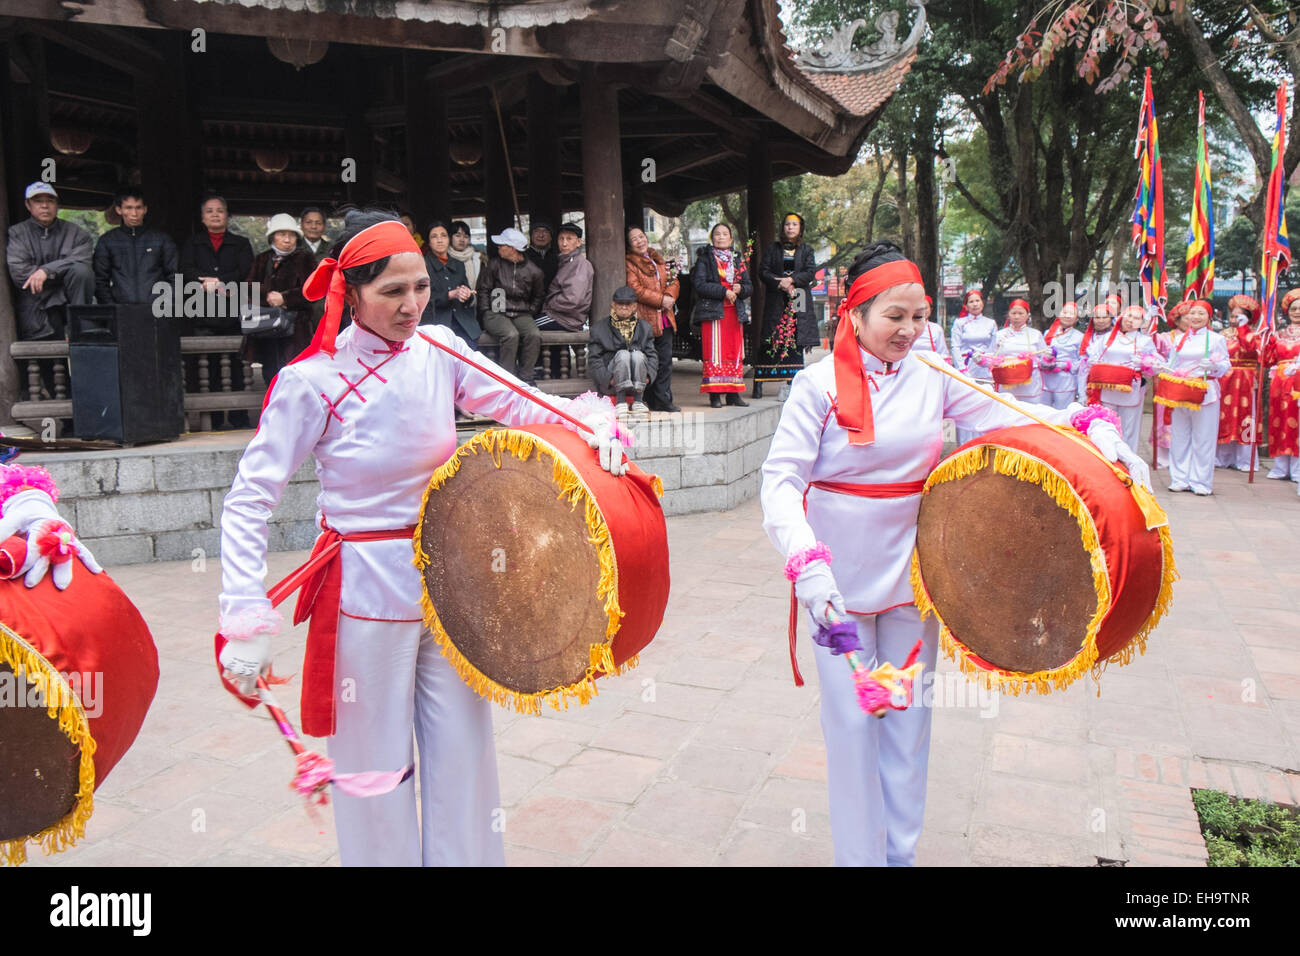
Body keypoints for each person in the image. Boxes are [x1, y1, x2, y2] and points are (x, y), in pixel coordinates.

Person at [215, 211, 628, 868]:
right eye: (392, 292)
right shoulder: (312, 381)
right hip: (365, 588)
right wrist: (241, 608)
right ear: (351, 293)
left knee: (463, 750)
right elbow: (248, 499)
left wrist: (588, 426)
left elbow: (524, 403)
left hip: (448, 578)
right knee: (373, 766)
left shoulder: (441, 349)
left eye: (419, 287)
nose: (412, 305)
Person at [760, 241, 1148, 867]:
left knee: (906, 721)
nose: (909, 330)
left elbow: (1011, 414)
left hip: (915, 580)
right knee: (856, 727)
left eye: (918, 316)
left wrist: (1084, 422)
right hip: (834, 589)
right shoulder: (816, 385)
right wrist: (805, 561)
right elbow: (778, 481)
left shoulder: (934, 375)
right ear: (854, 314)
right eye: (895, 316)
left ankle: (900, 856)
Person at [6, 182, 94, 340]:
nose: (45, 206)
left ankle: (81, 327)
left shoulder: (77, 233)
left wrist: (46, 271)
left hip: (69, 300)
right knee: (47, 358)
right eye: (38, 201)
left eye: (50, 201)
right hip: (37, 302)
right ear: (28, 205)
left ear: (57, 205)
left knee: (81, 271)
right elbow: (20, 274)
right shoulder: (18, 233)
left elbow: (83, 260)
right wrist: (59, 274)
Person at [1165, 299, 1230, 495]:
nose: (1196, 317)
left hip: (1205, 390)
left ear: (1209, 317)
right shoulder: (1179, 339)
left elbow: (1226, 365)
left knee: (1204, 437)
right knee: (1179, 435)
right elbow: (1172, 363)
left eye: (1201, 314)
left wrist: (1214, 366)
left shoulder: (1216, 339)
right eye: (1192, 313)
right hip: (1181, 390)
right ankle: (1179, 478)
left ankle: (1201, 482)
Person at [245, 213, 315, 386]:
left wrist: (285, 298)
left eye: (291, 235)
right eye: (281, 234)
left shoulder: (305, 258)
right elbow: (249, 287)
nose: (287, 239)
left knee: (296, 375)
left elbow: (313, 290)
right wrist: (268, 296)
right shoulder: (262, 259)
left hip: (296, 328)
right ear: (272, 237)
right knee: (270, 373)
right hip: (266, 328)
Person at [755, 213, 818, 397]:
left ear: (800, 229)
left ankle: (794, 381)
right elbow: (763, 271)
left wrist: (791, 280)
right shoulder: (773, 249)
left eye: (794, 225)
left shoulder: (807, 250)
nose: (790, 227)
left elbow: (810, 272)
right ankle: (759, 383)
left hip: (799, 296)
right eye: (787, 224)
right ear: (783, 227)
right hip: (776, 298)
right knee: (772, 337)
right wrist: (779, 282)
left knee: (796, 337)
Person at [691, 223, 752, 408]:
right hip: (714, 312)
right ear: (712, 238)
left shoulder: (737, 260)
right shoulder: (704, 259)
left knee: (734, 352)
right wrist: (723, 291)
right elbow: (699, 284)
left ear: (731, 239)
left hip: (734, 312)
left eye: (725, 234)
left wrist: (740, 288)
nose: (721, 237)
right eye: (717, 234)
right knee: (715, 352)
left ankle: (733, 394)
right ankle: (715, 394)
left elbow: (749, 287)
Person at [1083, 304, 1160, 450]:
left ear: (1142, 322)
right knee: (1106, 426)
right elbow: (1092, 357)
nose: (1131, 320)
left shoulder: (1145, 341)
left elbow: (1156, 366)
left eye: (1137, 318)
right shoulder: (1106, 338)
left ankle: (1128, 462)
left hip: (1131, 390)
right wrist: (1093, 363)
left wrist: (1144, 364)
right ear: (1121, 317)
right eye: (1129, 315)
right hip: (1107, 389)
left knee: (1128, 429)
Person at [476, 227, 544, 384]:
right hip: (496, 312)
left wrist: (531, 310)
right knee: (510, 335)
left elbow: (539, 295)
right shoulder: (493, 265)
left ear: (513, 249)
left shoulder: (534, 271)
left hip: (521, 313)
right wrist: (485, 311)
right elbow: (483, 290)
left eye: (502, 244)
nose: (498, 247)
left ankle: (526, 378)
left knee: (534, 335)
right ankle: (506, 379)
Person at [92, 185, 178, 307]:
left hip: (158, 310)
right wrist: (112, 308)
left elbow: (175, 276)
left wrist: (167, 305)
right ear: (119, 210)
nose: (134, 213)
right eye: (128, 208)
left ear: (145, 209)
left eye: (138, 208)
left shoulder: (162, 240)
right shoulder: (107, 241)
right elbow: (99, 280)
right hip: (120, 311)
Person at [625, 226, 680, 412]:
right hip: (645, 319)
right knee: (647, 362)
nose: (640, 241)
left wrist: (670, 297)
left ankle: (664, 399)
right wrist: (660, 300)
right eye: (634, 239)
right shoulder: (629, 263)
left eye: (641, 236)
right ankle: (648, 400)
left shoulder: (657, 259)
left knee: (665, 362)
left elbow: (673, 280)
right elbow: (635, 289)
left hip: (665, 318)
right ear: (629, 245)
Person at [588, 285, 658, 414]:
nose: (624, 307)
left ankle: (638, 400)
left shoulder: (645, 328)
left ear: (634, 306)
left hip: (638, 381)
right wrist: (608, 379)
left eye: (628, 304)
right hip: (612, 382)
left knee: (637, 355)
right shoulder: (598, 329)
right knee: (623, 355)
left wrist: (648, 376)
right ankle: (621, 401)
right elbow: (594, 360)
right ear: (613, 305)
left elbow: (652, 355)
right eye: (620, 304)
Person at [1215, 295, 1262, 473]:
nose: (1235, 320)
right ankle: (1222, 456)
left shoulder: (1254, 335)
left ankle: (1244, 458)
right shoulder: (1223, 334)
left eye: (1240, 316)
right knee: (1223, 416)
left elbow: (1250, 350)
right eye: (1233, 316)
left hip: (1245, 379)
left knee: (1246, 418)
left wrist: (1243, 329)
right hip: (1225, 378)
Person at [420, 220, 479, 346]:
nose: (440, 240)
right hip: (437, 324)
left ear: (449, 239)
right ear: (429, 242)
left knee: (469, 357)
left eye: (443, 236)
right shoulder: (422, 265)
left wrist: (466, 294)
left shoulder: (458, 264)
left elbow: (469, 295)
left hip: (463, 323)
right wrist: (450, 295)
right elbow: (422, 300)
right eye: (434, 236)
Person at [949, 289, 996, 441]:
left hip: (983, 367)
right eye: (971, 301)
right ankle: (965, 441)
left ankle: (984, 439)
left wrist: (985, 361)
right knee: (965, 403)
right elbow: (955, 346)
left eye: (978, 301)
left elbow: (993, 348)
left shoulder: (990, 323)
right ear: (966, 305)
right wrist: (961, 368)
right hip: (966, 366)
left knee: (984, 400)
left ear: (983, 303)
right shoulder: (960, 323)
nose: (975, 304)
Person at [1263, 289, 1300, 481]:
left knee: (1296, 424)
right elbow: (1268, 359)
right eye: (1294, 308)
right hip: (1279, 382)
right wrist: (1265, 339)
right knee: (1278, 420)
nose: (1297, 312)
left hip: (1298, 383)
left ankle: (1296, 469)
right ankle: (1280, 466)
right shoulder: (1279, 334)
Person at [983, 298, 1048, 404]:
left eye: (1021, 313)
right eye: (1014, 313)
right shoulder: (1000, 335)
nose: (1017, 317)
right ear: (1008, 315)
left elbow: (1044, 359)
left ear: (1027, 315)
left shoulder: (1036, 335)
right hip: (1006, 384)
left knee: (1031, 413)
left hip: (1030, 385)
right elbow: (990, 357)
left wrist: (1048, 358)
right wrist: (981, 359)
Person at [536, 222, 593, 332]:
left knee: (527, 329)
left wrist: (549, 304)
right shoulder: (566, 262)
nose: (564, 243)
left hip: (566, 319)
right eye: (561, 239)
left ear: (578, 242)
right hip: (560, 315)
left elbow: (572, 299)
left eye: (569, 239)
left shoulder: (580, 264)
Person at [1040, 301, 1084, 410]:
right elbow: (1040, 353)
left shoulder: (1080, 337)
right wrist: (1046, 360)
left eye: (1071, 313)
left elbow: (1082, 361)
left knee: (1062, 413)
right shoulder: (1047, 333)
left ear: (1076, 319)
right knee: (1044, 412)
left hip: (1066, 381)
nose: (1067, 316)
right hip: (1046, 379)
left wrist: (1068, 365)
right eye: (1065, 312)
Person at [908, 295, 948, 361]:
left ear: (931, 309)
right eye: (919, 308)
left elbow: (942, 353)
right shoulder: (907, 327)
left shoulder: (936, 328)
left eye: (925, 308)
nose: (922, 311)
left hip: (932, 366)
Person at [525, 220, 559, 290]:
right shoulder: (523, 257)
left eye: (545, 231)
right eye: (536, 231)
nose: (541, 235)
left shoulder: (558, 258)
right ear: (531, 236)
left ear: (551, 237)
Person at [447, 221, 481, 289]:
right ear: (450, 237)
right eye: (458, 235)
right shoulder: (443, 257)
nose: (462, 240)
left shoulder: (479, 258)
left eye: (466, 236)